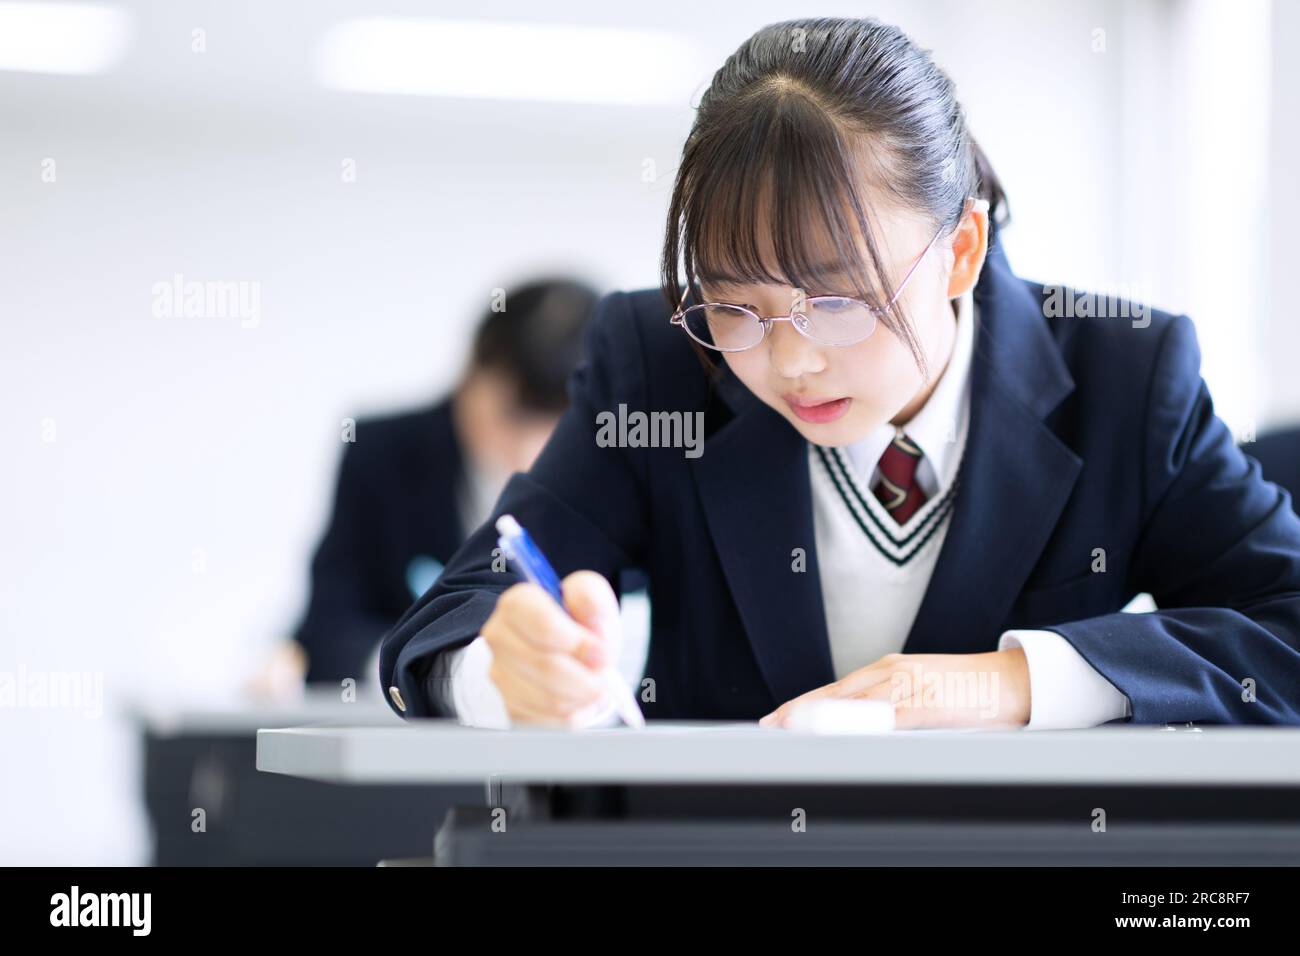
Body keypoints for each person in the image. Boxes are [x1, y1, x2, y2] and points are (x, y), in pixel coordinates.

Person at [379, 17, 1300, 729]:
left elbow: (1286, 625)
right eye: (735, 303)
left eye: (835, 299)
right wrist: (500, 668)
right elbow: (447, 621)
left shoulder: (1125, 380)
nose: (788, 360)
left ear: (961, 250)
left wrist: (1013, 680)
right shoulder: (660, 365)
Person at [250, 278, 600, 693]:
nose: (524, 449)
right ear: (472, 373)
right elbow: (328, 628)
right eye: (510, 415)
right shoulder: (381, 454)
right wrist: (428, 670)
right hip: (405, 736)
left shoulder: (610, 468)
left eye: (553, 426)